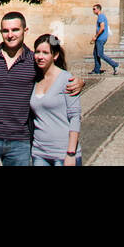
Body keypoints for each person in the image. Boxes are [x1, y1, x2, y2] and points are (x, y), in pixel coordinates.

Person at [0, 11, 84, 167]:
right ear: (1, 32)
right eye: (5, 30)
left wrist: (80, 82)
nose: (10, 35)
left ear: (25, 31)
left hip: (20, 140)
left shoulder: (34, 60)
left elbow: (55, 75)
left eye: (15, 29)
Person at [30, 34, 81, 167]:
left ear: (55, 55)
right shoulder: (34, 79)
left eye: (45, 52)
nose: (40, 56)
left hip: (63, 153)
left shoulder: (66, 79)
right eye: (37, 52)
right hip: (39, 153)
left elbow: (75, 117)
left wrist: (70, 153)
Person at [90, 3, 119, 75]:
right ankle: (96, 70)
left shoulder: (101, 16)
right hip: (100, 38)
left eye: (94, 9)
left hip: (100, 38)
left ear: (98, 9)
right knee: (95, 53)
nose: (93, 10)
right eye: (93, 9)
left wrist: (95, 36)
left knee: (100, 54)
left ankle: (115, 65)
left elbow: (102, 28)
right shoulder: (100, 16)